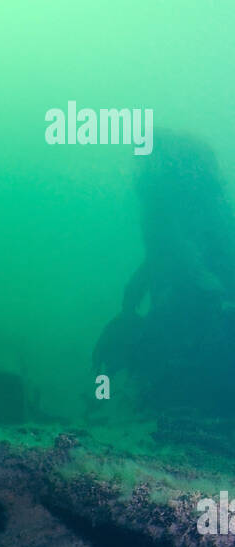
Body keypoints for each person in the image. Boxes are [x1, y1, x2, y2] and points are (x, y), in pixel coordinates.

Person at [93, 129, 235, 414]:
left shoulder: (186, 205)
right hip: (188, 314)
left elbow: (193, 265)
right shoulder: (167, 203)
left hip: (207, 320)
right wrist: (130, 305)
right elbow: (159, 259)